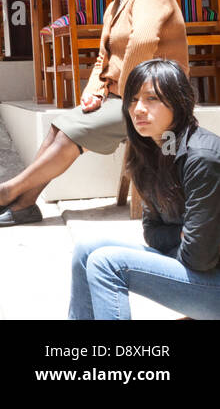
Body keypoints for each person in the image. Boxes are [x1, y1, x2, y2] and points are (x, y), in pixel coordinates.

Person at [0, 0, 188, 225]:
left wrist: (128, 95)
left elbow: (143, 42)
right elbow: (102, 59)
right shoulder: (115, 6)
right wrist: (93, 93)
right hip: (123, 96)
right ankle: (24, 204)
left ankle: (11, 191)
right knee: (61, 125)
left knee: (71, 133)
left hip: (156, 97)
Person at [70, 58, 220, 319]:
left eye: (151, 99)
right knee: (87, 249)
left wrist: (185, 240)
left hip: (212, 283)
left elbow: (199, 258)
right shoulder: (153, 151)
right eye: (133, 99)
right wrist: (182, 235)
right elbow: (152, 232)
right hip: (194, 268)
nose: (138, 109)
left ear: (178, 102)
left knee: (107, 264)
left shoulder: (202, 159)